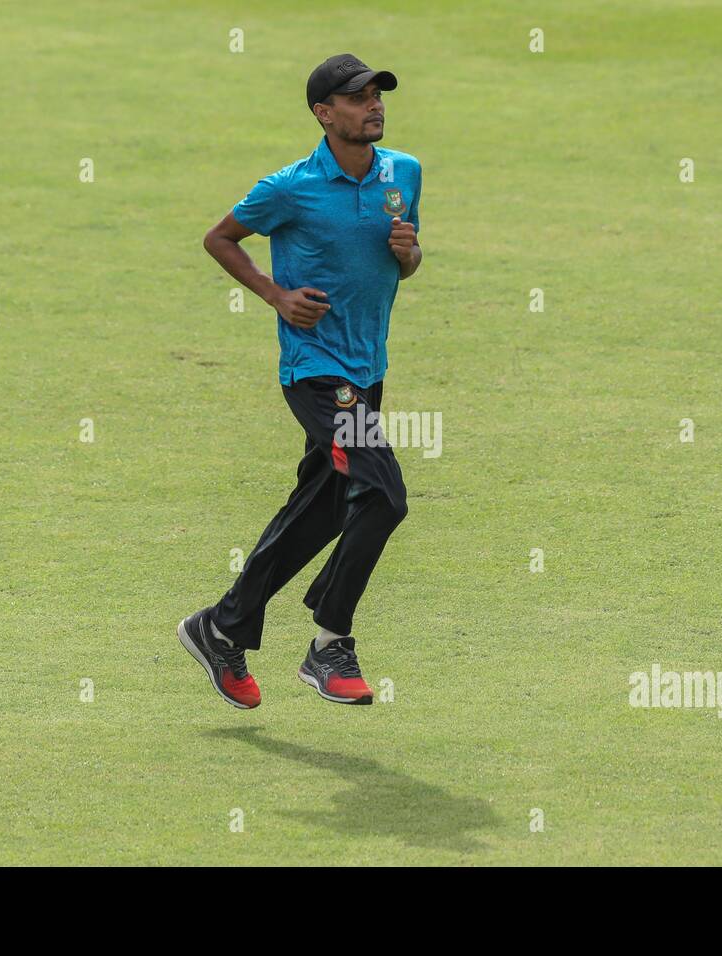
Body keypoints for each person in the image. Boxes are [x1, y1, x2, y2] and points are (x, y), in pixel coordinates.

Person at [177, 53, 423, 708]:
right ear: (324, 112)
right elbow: (221, 238)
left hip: (367, 368)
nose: (373, 104)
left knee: (321, 509)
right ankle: (329, 644)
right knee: (383, 493)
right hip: (317, 372)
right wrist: (276, 296)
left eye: (377, 94)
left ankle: (222, 626)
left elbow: (408, 258)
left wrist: (410, 254)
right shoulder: (289, 188)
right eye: (357, 97)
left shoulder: (403, 173)